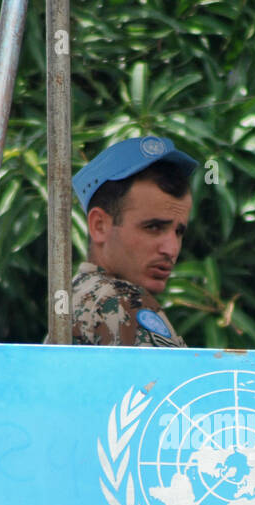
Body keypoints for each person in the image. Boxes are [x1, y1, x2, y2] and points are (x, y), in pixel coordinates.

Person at [69, 135, 198, 347]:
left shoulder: (72, 298)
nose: (171, 249)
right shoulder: (123, 299)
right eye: (153, 227)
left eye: (179, 232)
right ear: (99, 225)